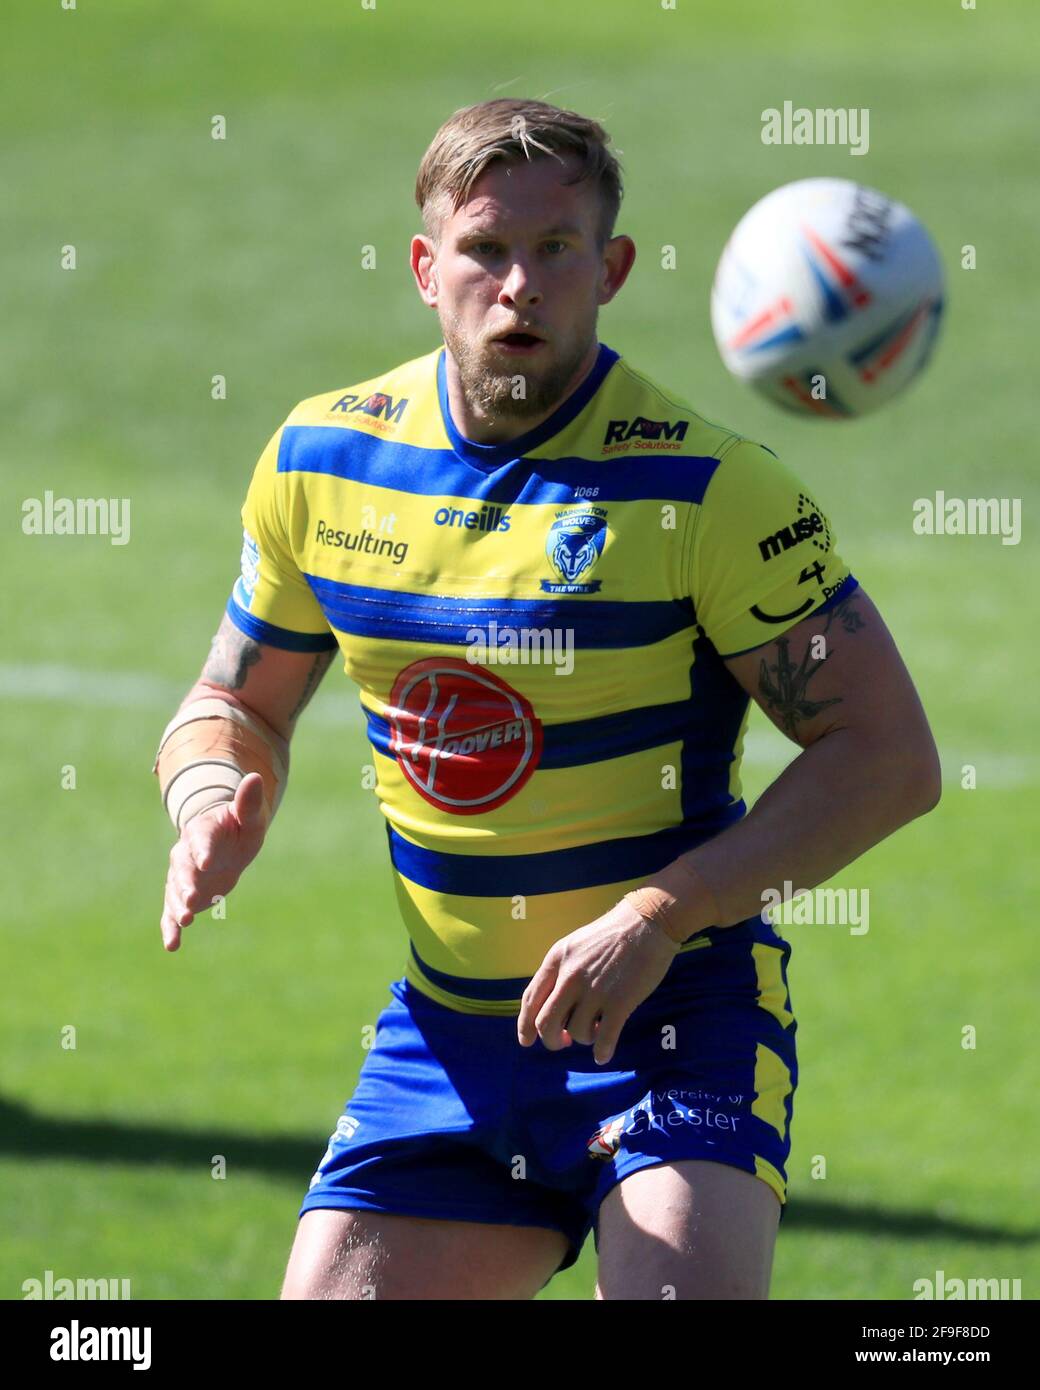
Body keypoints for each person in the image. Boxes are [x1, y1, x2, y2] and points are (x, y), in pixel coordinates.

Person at [153, 98, 940, 1300]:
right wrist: (211, 791)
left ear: (610, 268)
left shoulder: (707, 490)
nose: (518, 284)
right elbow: (231, 703)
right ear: (425, 267)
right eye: (483, 249)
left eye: (555, 249)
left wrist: (657, 917)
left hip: (676, 1017)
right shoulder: (321, 462)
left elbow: (885, 755)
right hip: (450, 1036)